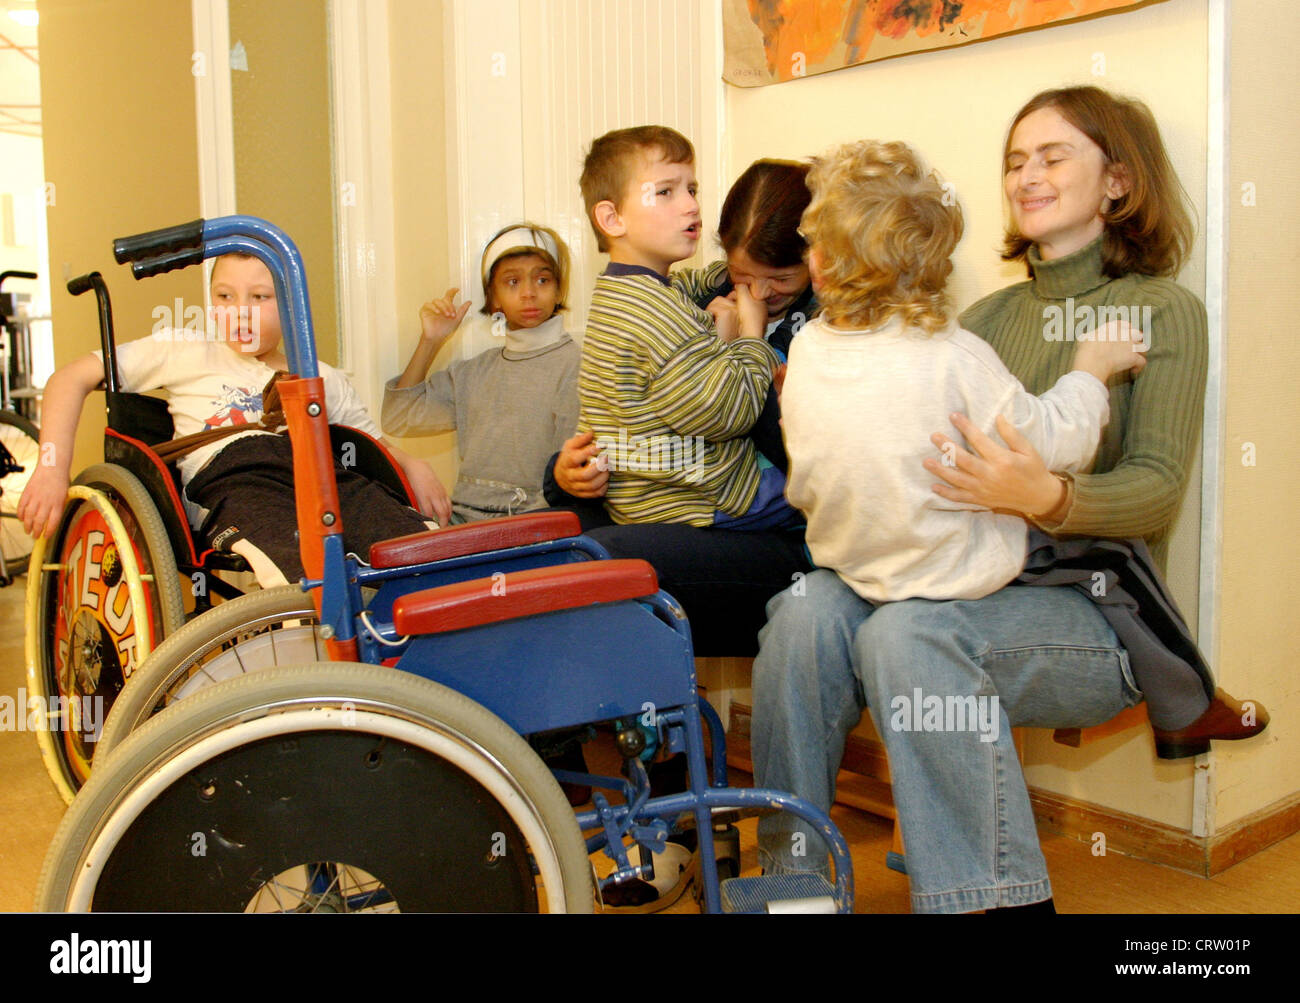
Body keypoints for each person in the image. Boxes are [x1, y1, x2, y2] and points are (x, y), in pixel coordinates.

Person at [752, 86, 1269, 914]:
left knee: (909, 632)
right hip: (957, 577)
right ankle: (793, 890)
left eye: (1053, 155)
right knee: (805, 611)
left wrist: (1047, 496)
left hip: (1082, 604)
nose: (1026, 173)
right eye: (1014, 159)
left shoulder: (1161, 312)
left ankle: (995, 901)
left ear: (1118, 182)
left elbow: (1156, 491)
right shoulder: (975, 320)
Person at [783, 137, 1146, 605]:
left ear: (823, 268)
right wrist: (1091, 370)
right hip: (949, 575)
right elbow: (1057, 444)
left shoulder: (808, 346)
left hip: (853, 567)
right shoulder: (952, 356)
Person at [19, 253, 449, 586]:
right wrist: (52, 468)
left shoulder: (321, 376)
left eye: (259, 298)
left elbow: (368, 444)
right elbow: (70, 377)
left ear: (291, 305)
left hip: (324, 478)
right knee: (305, 574)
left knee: (417, 547)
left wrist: (414, 465)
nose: (239, 311)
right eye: (225, 297)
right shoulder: (185, 349)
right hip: (235, 476)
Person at [547, 156, 818, 655]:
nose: (759, 291)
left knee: (602, 558)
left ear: (816, 258)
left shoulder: (829, 322)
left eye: (779, 278)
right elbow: (638, 412)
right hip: (693, 494)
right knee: (558, 536)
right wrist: (566, 473)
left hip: (786, 528)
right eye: (743, 274)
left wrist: (743, 346)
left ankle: (623, 712)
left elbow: (735, 423)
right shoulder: (693, 292)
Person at [575, 125, 799, 533]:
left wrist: (735, 277)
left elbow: (688, 288)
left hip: (646, 496)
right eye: (665, 192)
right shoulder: (654, 315)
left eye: (692, 189)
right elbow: (729, 413)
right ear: (612, 218)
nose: (691, 206)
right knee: (820, 493)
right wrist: (750, 335)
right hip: (701, 500)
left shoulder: (627, 291)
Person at [382, 223, 580, 523]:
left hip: (535, 528)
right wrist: (431, 341)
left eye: (542, 279)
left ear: (558, 289)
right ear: (494, 296)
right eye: (512, 282)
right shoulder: (474, 373)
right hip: (461, 525)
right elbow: (398, 418)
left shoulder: (579, 367)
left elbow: (571, 476)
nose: (528, 293)